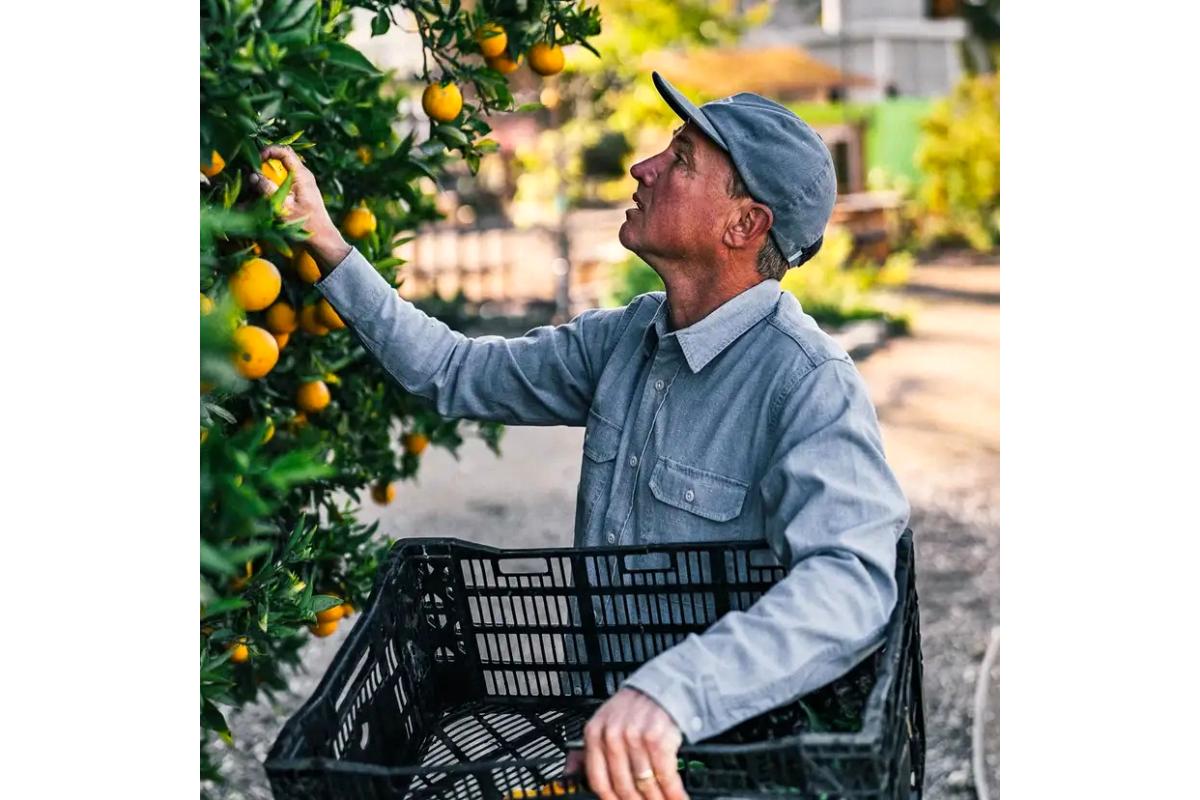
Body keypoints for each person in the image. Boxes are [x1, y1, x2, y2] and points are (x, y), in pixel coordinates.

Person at [249, 71, 909, 800]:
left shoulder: (807, 383)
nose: (643, 168)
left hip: (716, 761)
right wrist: (327, 243)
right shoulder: (625, 339)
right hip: (594, 739)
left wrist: (671, 694)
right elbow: (452, 370)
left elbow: (850, 585)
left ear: (743, 225)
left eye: (681, 159)